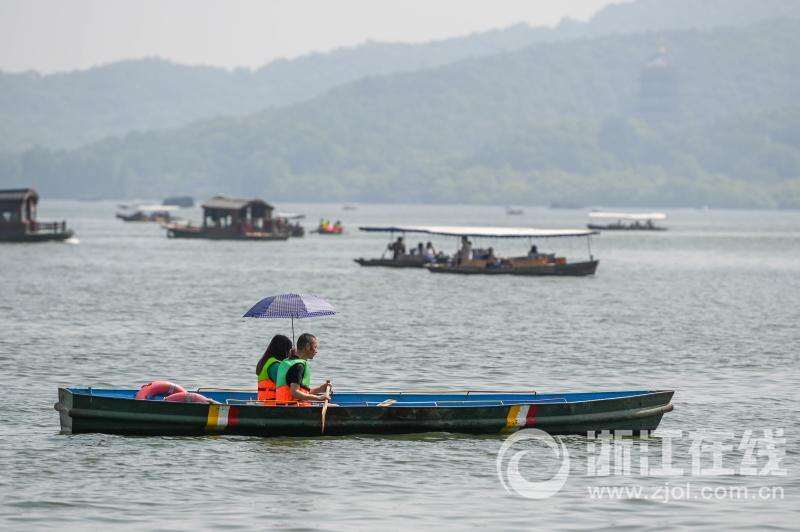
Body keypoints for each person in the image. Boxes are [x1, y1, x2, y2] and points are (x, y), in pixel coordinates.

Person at [275, 333, 331, 404]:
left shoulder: (288, 362)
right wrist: (318, 398)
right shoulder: (298, 366)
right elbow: (295, 392)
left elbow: (301, 392)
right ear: (307, 346)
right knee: (336, 407)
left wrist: (320, 389)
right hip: (294, 408)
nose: (316, 351)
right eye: (315, 347)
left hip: (284, 406)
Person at [255, 334, 293, 402]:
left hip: (265, 402)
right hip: (273, 404)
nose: (290, 353)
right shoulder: (274, 366)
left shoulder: (266, 361)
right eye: (289, 349)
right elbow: (287, 386)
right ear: (283, 350)